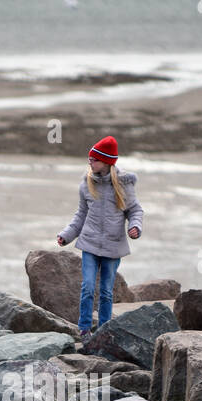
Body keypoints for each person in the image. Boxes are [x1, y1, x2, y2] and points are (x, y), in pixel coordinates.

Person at [56, 135, 143, 336]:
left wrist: (135, 227)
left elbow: (135, 211)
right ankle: (84, 329)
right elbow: (81, 214)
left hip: (113, 247)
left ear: (106, 162)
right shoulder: (87, 184)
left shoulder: (123, 185)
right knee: (87, 287)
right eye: (89, 159)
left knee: (105, 292)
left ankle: (104, 330)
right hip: (90, 243)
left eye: (94, 159)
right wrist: (66, 235)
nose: (90, 162)